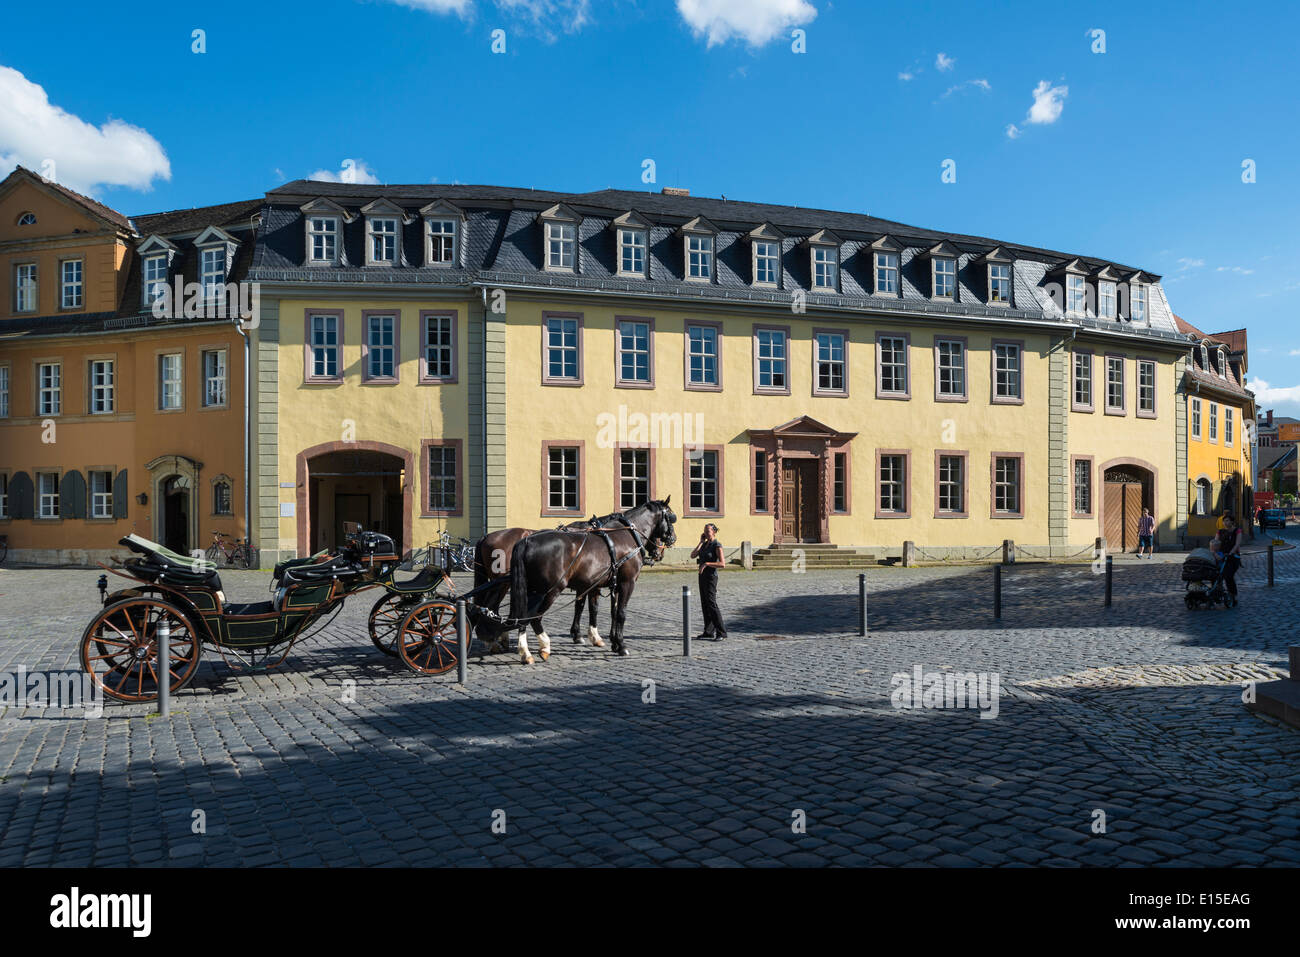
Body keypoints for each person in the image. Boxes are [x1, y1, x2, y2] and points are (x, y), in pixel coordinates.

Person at [690, 523, 727, 640]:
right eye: (705, 531)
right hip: (702, 576)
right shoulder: (704, 544)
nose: (706, 533)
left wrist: (707, 564)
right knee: (705, 604)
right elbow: (692, 555)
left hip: (711, 577)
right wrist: (701, 542)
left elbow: (722, 564)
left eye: (708, 531)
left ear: (714, 532)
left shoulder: (717, 545)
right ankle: (708, 631)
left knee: (712, 604)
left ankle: (721, 632)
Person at [1210, 514, 1244, 605]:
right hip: (1221, 557)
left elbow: (1237, 544)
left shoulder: (1237, 531)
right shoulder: (1220, 531)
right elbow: (1215, 543)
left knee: (1228, 576)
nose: (1225, 523)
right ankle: (1217, 593)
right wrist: (1214, 552)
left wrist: (1230, 553)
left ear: (1232, 521)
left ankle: (1233, 595)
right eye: (1224, 521)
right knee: (1215, 575)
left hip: (1233, 557)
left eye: (1227, 521)